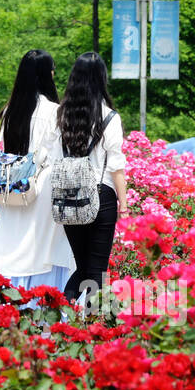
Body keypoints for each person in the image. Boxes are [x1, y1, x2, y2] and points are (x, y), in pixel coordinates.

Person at [0, 49, 75, 294]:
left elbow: (4, 150)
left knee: (10, 241)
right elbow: (59, 155)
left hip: (11, 187)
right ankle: (39, 300)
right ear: (47, 75)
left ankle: (7, 295)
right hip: (41, 187)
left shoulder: (11, 110)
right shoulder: (55, 111)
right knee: (40, 248)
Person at [52, 52, 127, 307]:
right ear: (101, 79)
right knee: (96, 269)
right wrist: (124, 204)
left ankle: (59, 313)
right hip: (101, 195)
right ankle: (95, 329)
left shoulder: (62, 116)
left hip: (69, 195)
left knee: (83, 265)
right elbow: (116, 166)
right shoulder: (109, 117)